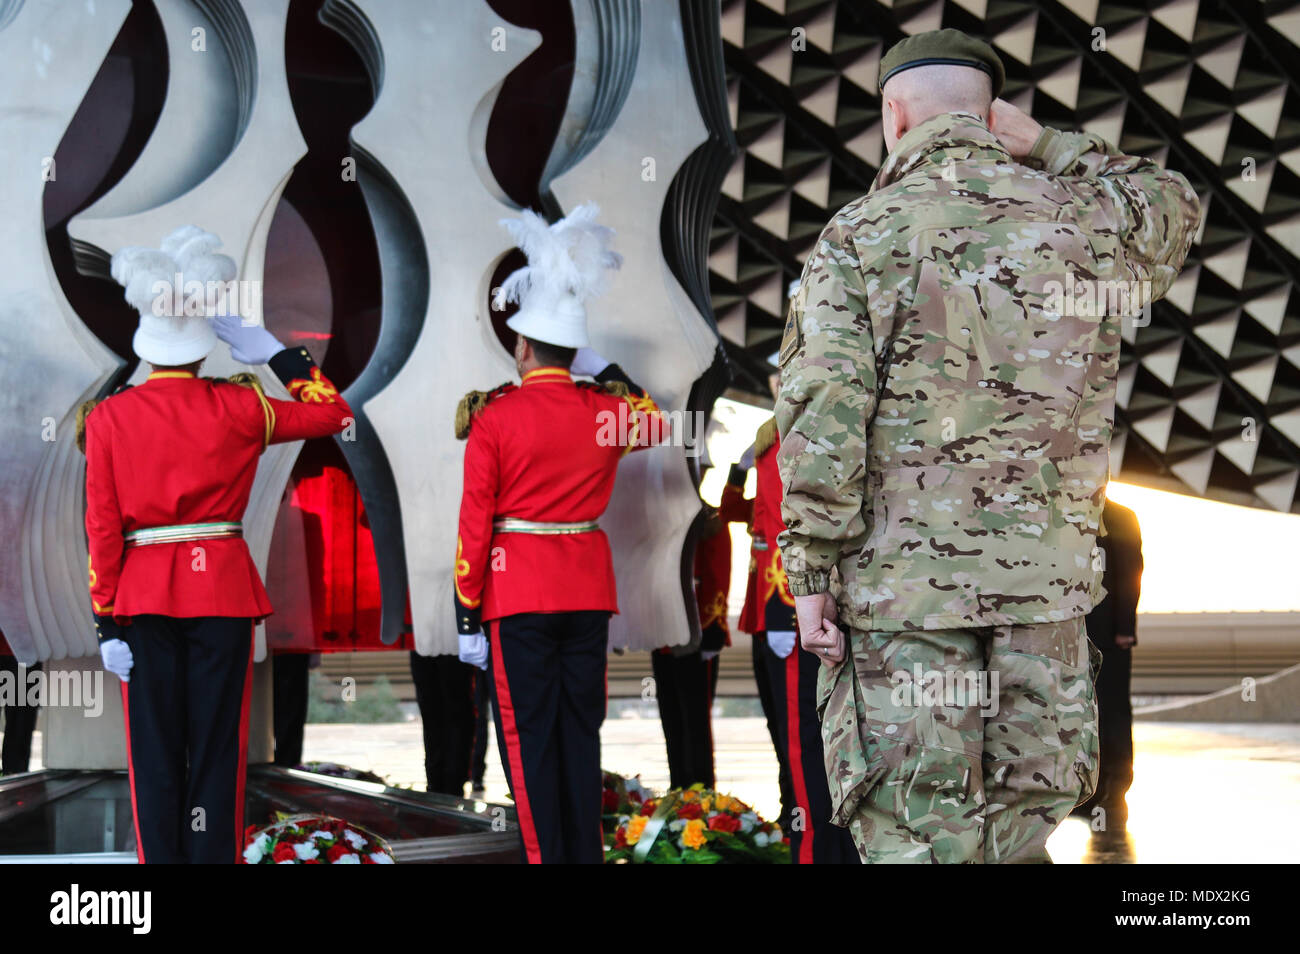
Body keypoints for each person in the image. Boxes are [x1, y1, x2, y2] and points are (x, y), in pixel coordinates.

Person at [775, 29, 1200, 863]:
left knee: (917, 833)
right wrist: (1045, 143)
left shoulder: (859, 236)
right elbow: (1173, 199)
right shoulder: (1086, 221)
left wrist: (811, 574)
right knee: (1021, 835)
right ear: (991, 112)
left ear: (894, 115)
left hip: (903, 605)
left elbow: (823, 411)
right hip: (1045, 604)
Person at [85, 225, 353, 863]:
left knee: (153, 752)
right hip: (222, 594)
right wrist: (277, 355)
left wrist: (105, 622)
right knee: (215, 751)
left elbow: (101, 528)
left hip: (143, 598)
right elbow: (334, 414)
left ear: (147, 350)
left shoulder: (110, 417)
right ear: (206, 350)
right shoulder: (242, 406)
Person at [453, 203, 667, 863]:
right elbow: (654, 421)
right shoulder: (605, 413)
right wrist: (604, 371)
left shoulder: (495, 417)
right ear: (574, 349)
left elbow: (474, 522)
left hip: (516, 595)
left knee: (529, 744)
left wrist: (466, 614)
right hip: (584, 589)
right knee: (580, 735)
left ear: (521, 346)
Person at [750, 402, 858, 864]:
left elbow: (785, 530)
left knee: (804, 746)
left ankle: (814, 852)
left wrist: (778, 612)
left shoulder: (787, 439)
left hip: (802, 614)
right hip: (823, 605)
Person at [1077, 498, 1143, 831]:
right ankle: (1085, 788)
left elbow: (1131, 571)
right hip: (1074, 632)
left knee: (1112, 710)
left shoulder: (1120, 516)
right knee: (1078, 709)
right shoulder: (1065, 508)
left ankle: (1114, 787)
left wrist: (1125, 628)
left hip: (1108, 636)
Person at [409, 649, 476, 796]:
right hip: (424, 639)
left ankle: (448, 786)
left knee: (453, 715)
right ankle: (438, 786)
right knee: (437, 716)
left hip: (451, 641)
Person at [0, 633, 40, 775]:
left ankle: (14, 772)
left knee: (21, 717)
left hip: (24, 649)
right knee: (20, 717)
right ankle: (14, 771)